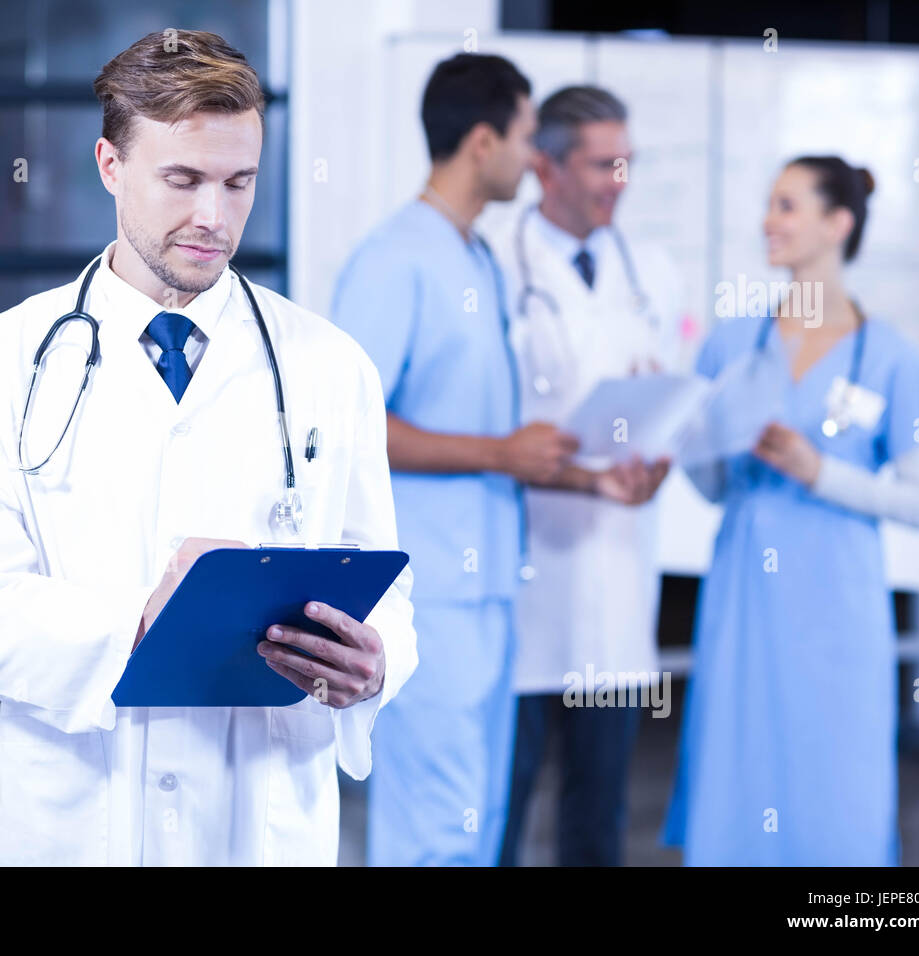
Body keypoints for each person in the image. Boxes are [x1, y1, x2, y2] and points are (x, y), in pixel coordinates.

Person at [0, 30, 417, 867]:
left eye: (238, 182)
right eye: (182, 180)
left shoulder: (329, 366)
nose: (213, 218)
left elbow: (384, 586)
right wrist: (140, 625)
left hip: (264, 818)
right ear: (110, 165)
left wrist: (377, 662)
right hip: (81, 815)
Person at [661, 156, 919, 865]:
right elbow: (713, 485)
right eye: (769, 204)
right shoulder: (735, 345)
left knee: (838, 792)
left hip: (838, 613)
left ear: (838, 223)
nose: (770, 221)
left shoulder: (889, 356)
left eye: (787, 205)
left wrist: (817, 471)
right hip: (745, 603)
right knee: (739, 769)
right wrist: (677, 434)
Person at [331, 53, 577, 867]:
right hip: (423, 593)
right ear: (481, 140)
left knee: (479, 818)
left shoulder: (475, 257)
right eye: (526, 136)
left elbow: (475, 425)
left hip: (488, 586)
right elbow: (351, 431)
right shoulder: (395, 258)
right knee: (434, 828)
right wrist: (500, 452)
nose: (533, 157)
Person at [494, 85, 685, 867]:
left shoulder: (655, 272)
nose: (618, 180)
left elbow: (667, 399)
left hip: (615, 583)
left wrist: (658, 466)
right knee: (501, 808)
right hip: (524, 577)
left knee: (599, 814)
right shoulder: (498, 271)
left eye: (627, 163)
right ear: (545, 165)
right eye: (603, 163)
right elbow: (487, 429)